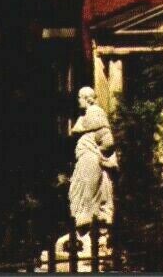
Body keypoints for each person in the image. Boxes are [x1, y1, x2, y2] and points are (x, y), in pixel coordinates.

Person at [67, 87, 116, 232]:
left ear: (86, 98)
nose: (78, 101)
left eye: (79, 98)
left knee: (89, 190)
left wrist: (96, 152)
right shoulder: (86, 116)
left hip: (89, 159)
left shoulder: (95, 113)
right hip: (84, 160)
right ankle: (85, 223)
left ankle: (89, 222)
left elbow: (108, 140)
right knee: (76, 190)